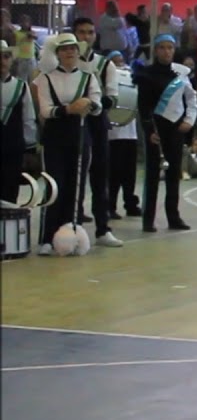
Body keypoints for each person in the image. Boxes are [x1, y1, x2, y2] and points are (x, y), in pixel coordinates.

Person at [40, 17, 124, 247]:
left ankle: (102, 229)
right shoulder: (56, 67)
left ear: (94, 36)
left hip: (95, 126)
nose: (86, 36)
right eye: (81, 33)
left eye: (89, 32)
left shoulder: (105, 64)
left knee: (99, 177)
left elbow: (112, 98)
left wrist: (89, 104)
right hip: (67, 126)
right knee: (68, 179)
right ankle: (67, 229)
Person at [33, 33, 103, 254]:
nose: (69, 52)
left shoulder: (88, 77)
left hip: (80, 134)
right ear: (58, 53)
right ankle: (47, 238)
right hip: (54, 137)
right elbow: (45, 110)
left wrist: (89, 104)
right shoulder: (44, 79)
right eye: (64, 49)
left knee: (77, 186)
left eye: (73, 48)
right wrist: (68, 109)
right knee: (54, 186)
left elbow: (98, 105)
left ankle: (72, 234)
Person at [134, 34, 197, 233]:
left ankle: (173, 216)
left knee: (173, 174)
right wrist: (149, 131)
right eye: (162, 47)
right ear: (156, 50)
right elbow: (143, 107)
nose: (167, 51)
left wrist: (189, 120)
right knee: (152, 176)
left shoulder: (180, 74)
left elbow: (191, 98)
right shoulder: (146, 74)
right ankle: (148, 219)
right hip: (155, 130)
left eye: (170, 47)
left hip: (175, 129)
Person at [1, 40, 38, 204]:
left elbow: (28, 118)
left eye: (6, 56)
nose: (2, 61)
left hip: (12, 148)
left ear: (11, 60)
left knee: (10, 193)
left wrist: (30, 148)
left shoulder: (21, 86)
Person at [106, 52, 142, 218]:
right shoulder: (106, 82)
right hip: (113, 134)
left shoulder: (130, 78)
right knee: (114, 173)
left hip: (130, 133)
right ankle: (110, 206)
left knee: (129, 173)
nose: (120, 63)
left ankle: (130, 203)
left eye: (121, 59)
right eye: (115, 61)